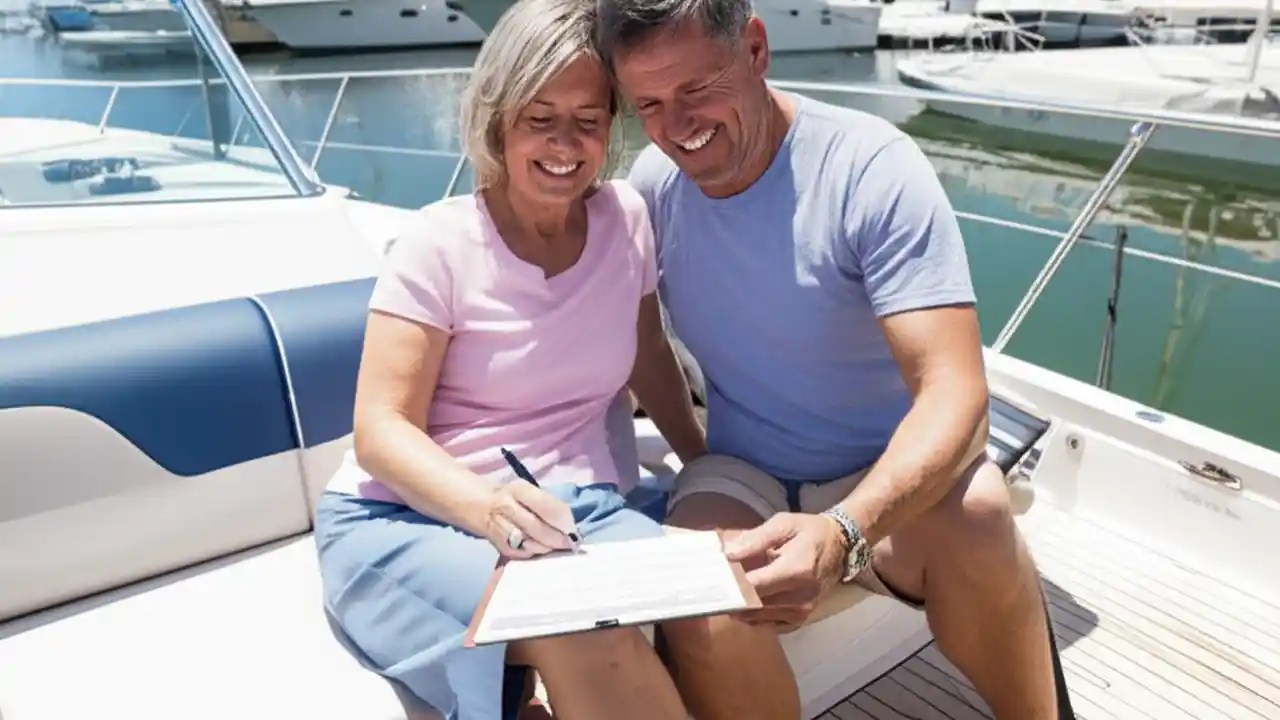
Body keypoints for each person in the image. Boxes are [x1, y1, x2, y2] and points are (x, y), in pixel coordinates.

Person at [598, 1, 1069, 718]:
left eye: (697, 88)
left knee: (977, 511)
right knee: (694, 590)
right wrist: (695, 455)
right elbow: (644, 346)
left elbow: (954, 389)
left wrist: (844, 530)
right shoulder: (653, 189)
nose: (678, 127)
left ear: (755, 49)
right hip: (744, 468)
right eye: (650, 105)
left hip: (879, 466)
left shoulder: (869, 166)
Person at [311, 0, 702, 718]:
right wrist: (489, 509)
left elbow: (650, 355)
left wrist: (704, 462)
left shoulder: (627, 221)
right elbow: (381, 428)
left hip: (575, 514)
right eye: (539, 117)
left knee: (718, 604)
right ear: (497, 116)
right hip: (406, 518)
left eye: (588, 120)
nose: (565, 143)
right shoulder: (439, 243)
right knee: (587, 634)